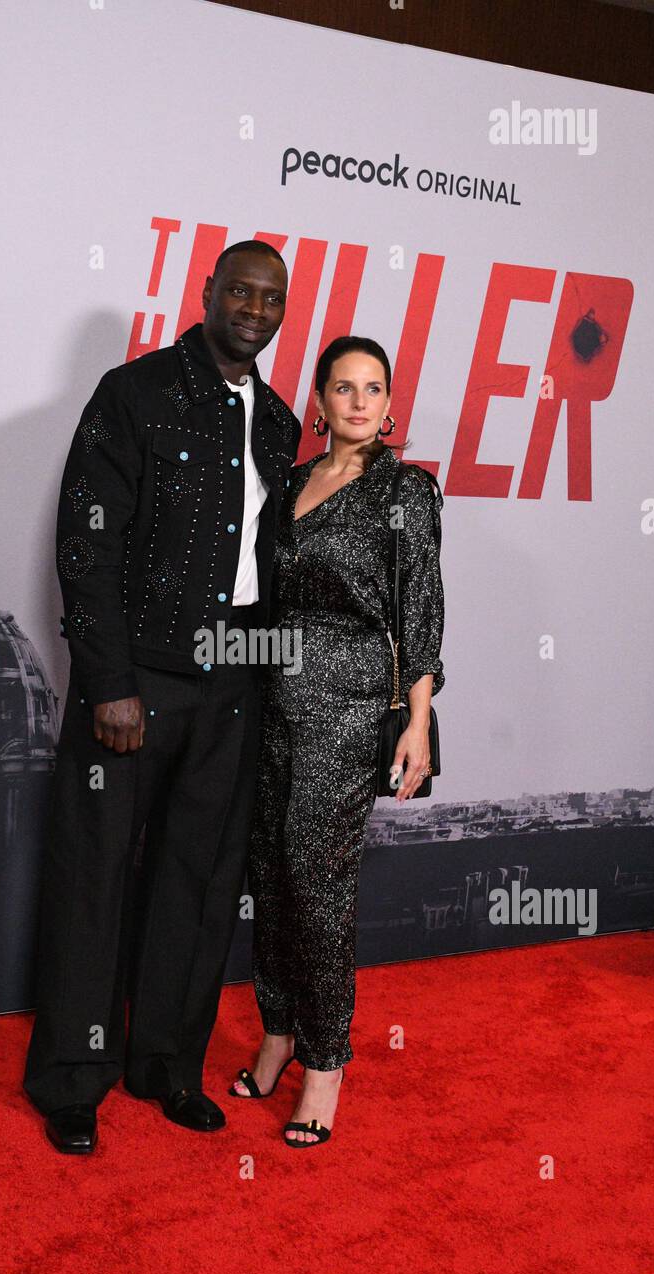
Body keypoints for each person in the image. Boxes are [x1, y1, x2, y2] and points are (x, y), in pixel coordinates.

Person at [23, 241, 302, 1153]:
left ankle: (166, 1068)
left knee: (200, 880)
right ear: (209, 293)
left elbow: (273, 568)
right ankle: (74, 1078)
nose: (254, 310)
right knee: (96, 876)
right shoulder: (133, 394)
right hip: (135, 684)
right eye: (241, 292)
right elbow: (86, 544)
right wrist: (108, 683)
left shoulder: (280, 423)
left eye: (271, 298)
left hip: (234, 689)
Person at [233, 336, 445, 1147]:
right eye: (343, 388)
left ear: (390, 405)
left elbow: (419, 611)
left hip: (350, 707)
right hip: (272, 700)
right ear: (318, 402)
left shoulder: (405, 493)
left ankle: (325, 1063)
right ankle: (278, 1031)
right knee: (272, 869)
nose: (359, 402)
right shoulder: (287, 483)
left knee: (319, 885)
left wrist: (418, 723)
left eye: (374, 388)